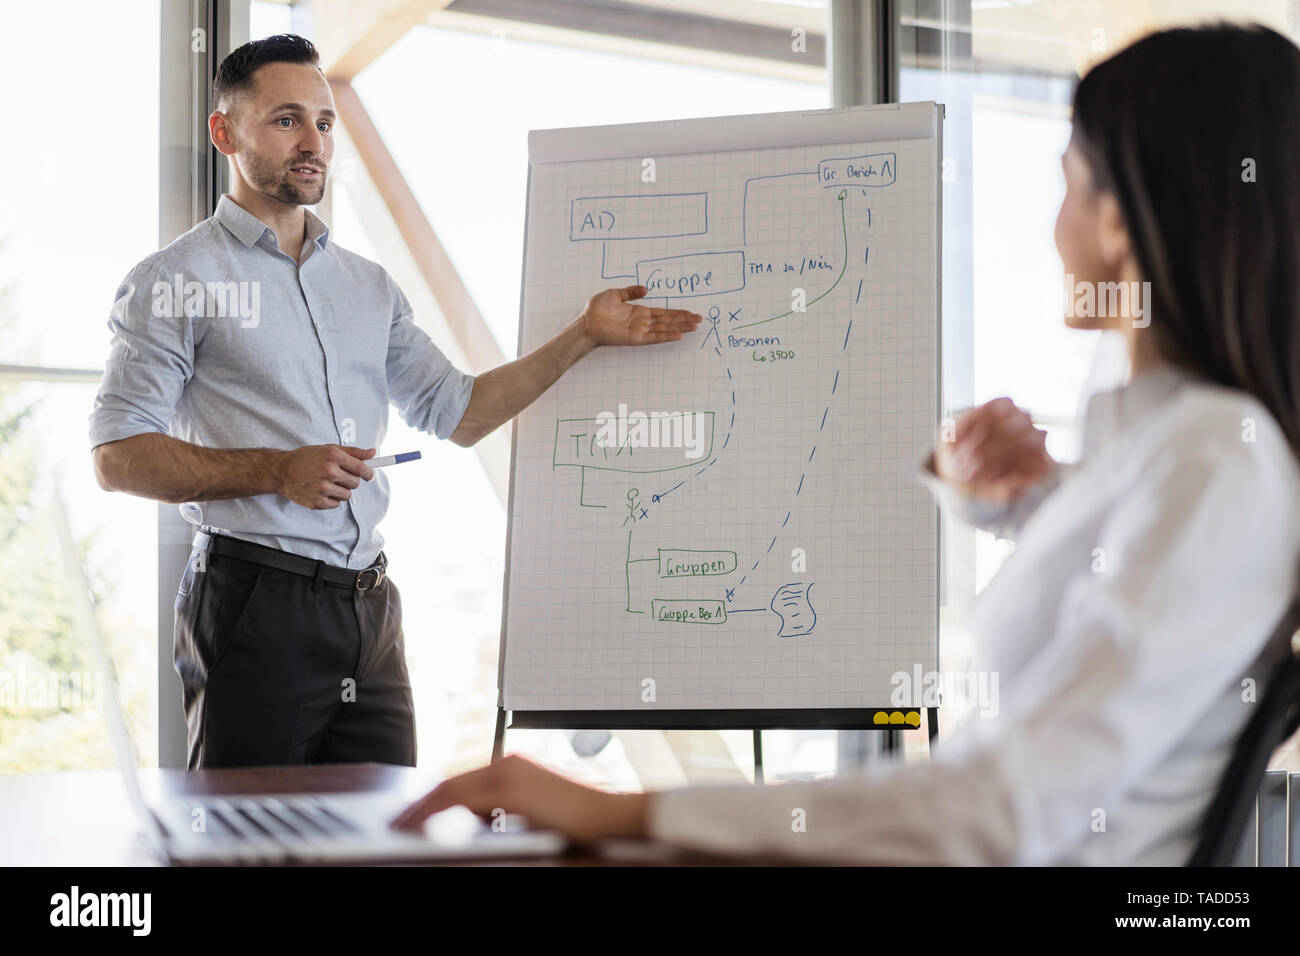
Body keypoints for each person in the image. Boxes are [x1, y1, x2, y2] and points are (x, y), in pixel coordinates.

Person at [392, 22, 1300, 865]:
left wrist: (636, 812)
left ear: (1116, 219)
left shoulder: (1216, 459)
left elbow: (1003, 806)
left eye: (1067, 180)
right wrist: (1022, 503)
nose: (1050, 224)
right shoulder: (1183, 451)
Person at [89, 34, 701, 770]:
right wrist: (277, 470)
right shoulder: (174, 278)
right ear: (226, 132)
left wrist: (587, 334)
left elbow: (460, 412)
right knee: (245, 842)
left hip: (369, 609)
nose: (313, 140)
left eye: (323, 121)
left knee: (381, 836)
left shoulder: (369, 287)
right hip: (253, 601)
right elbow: (118, 455)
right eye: (286, 120)